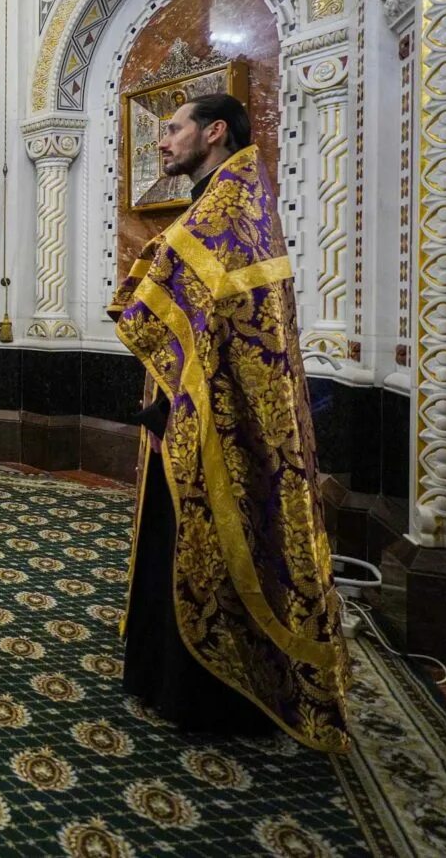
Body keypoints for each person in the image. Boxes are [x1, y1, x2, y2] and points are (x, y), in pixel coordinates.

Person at [110, 93, 348, 749]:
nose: (162, 142)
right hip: (195, 401)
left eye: (173, 129)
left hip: (213, 413)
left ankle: (211, 693)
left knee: (209, 537)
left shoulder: (227, 207)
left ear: (213, 132)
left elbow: (178, 306)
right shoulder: (228, 200)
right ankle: (172, 676)